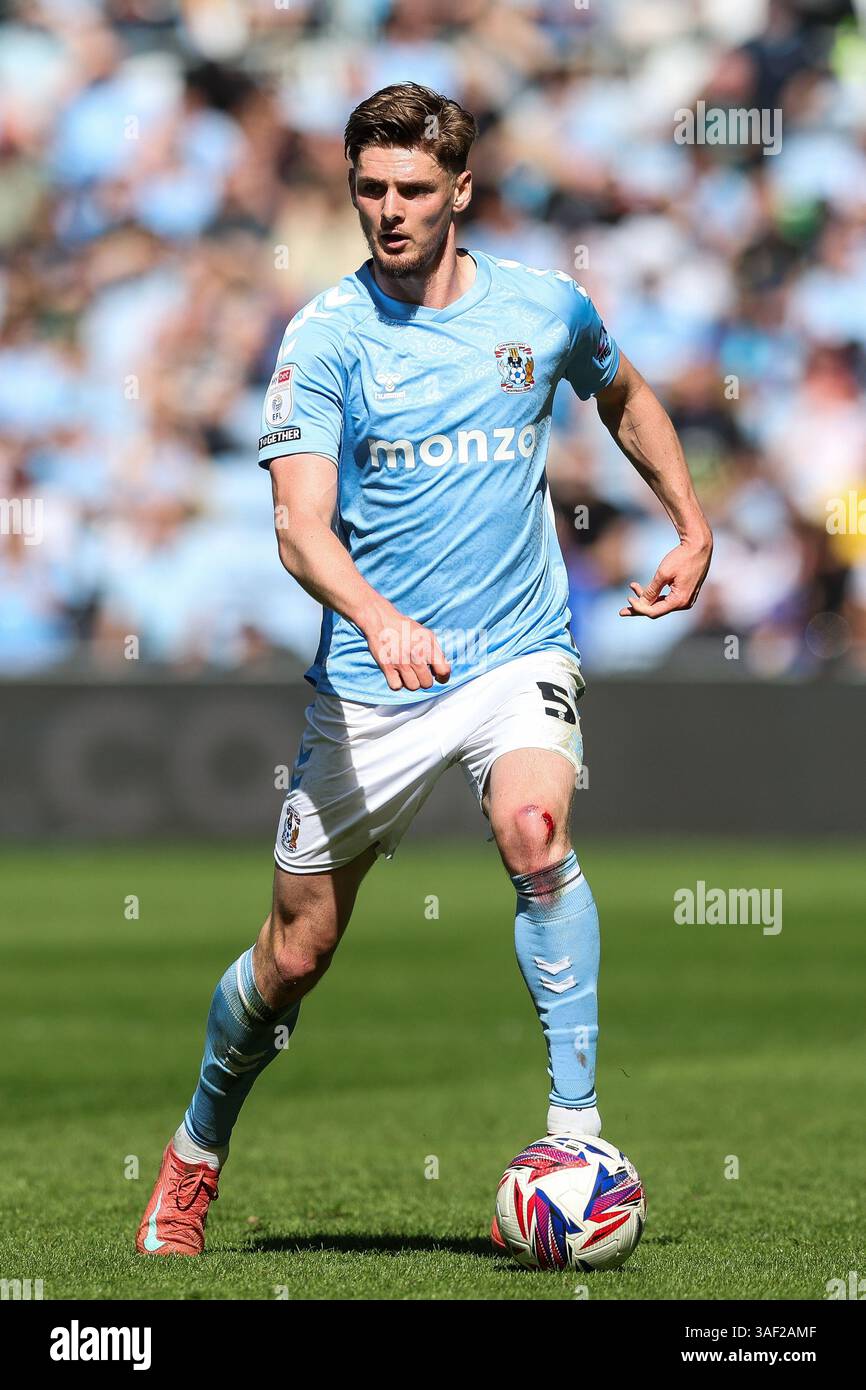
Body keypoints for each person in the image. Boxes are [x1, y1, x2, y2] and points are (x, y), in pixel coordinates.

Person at [136, 82, 712, 1256]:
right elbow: (299, 530)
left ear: (460, 190)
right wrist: (377, 615)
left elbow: (622, 392)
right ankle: (195, 1148)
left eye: (409, 188)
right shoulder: (324, 337)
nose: (387, 210)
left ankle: (574, 1134)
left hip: (515, 649)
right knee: (295, 954)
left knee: (535, 831)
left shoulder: (542, 308)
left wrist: (688, 522)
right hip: (372, 681)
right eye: (368, 189)